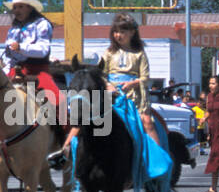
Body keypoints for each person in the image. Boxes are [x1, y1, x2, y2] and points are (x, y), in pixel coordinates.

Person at [51, 13, 163, 170]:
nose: (119, 35)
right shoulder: (109, 53)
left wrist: (133, 83)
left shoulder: (139, 54)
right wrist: (108, 85)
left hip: (133, 96)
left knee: (147, 121)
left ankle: (156, 160)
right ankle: (64, 152)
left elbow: (145, 78)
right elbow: (102, 74)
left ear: (132, 32)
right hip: (111, 95)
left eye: (123, 31)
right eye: (116, 31)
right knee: (84, 119)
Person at [1, 0, 62, 113]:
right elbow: (8, 54)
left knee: (56, 98)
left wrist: (21, 48)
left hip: (38, 71)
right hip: (14, 69)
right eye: (15, 7)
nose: (17, 10)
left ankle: (63, 129)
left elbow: (43, 49)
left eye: (21, 7)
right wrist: (5, 68)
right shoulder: (13, 29)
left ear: (29, 8)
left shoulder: (42, 24)